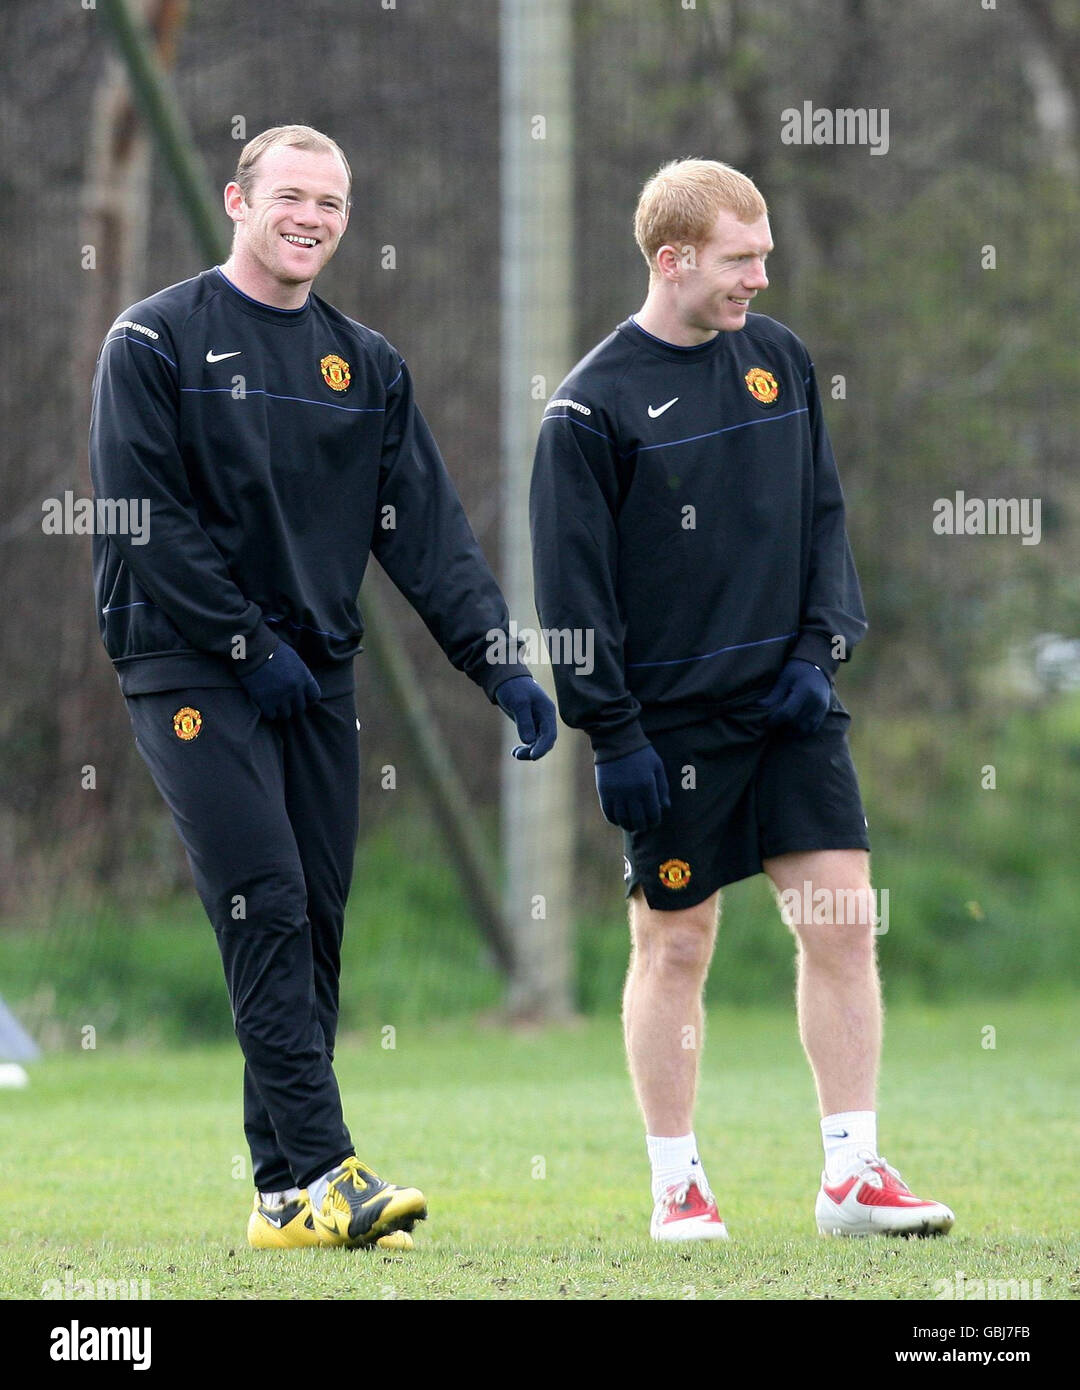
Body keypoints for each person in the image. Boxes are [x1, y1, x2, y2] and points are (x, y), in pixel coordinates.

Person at [89, 124, 556, 1251]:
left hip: (314, 680)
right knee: (265, 902)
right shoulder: (153, 339)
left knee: (315, 928)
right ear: (239, 200)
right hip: (191, 666)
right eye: (290, 195)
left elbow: (429, 535)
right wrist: (250, 646)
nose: (312, 218)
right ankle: (333, 1170)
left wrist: (501, 664)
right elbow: (143, 522)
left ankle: (280, 1196)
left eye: (333, 203)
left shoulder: (368, 366)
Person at [529, 158, 953, 1241]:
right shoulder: (588, 409)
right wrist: (609, 731)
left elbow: (822, 514)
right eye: (741, 258)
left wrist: (822, 651)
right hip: (667, 731)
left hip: (792, 712)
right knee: (677, 944)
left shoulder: (780, 361)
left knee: (844, 924)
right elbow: (572, 597)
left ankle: (852, 1176)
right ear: (673, 261)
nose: (761, 276)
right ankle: (678, 1182)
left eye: (764, 253)